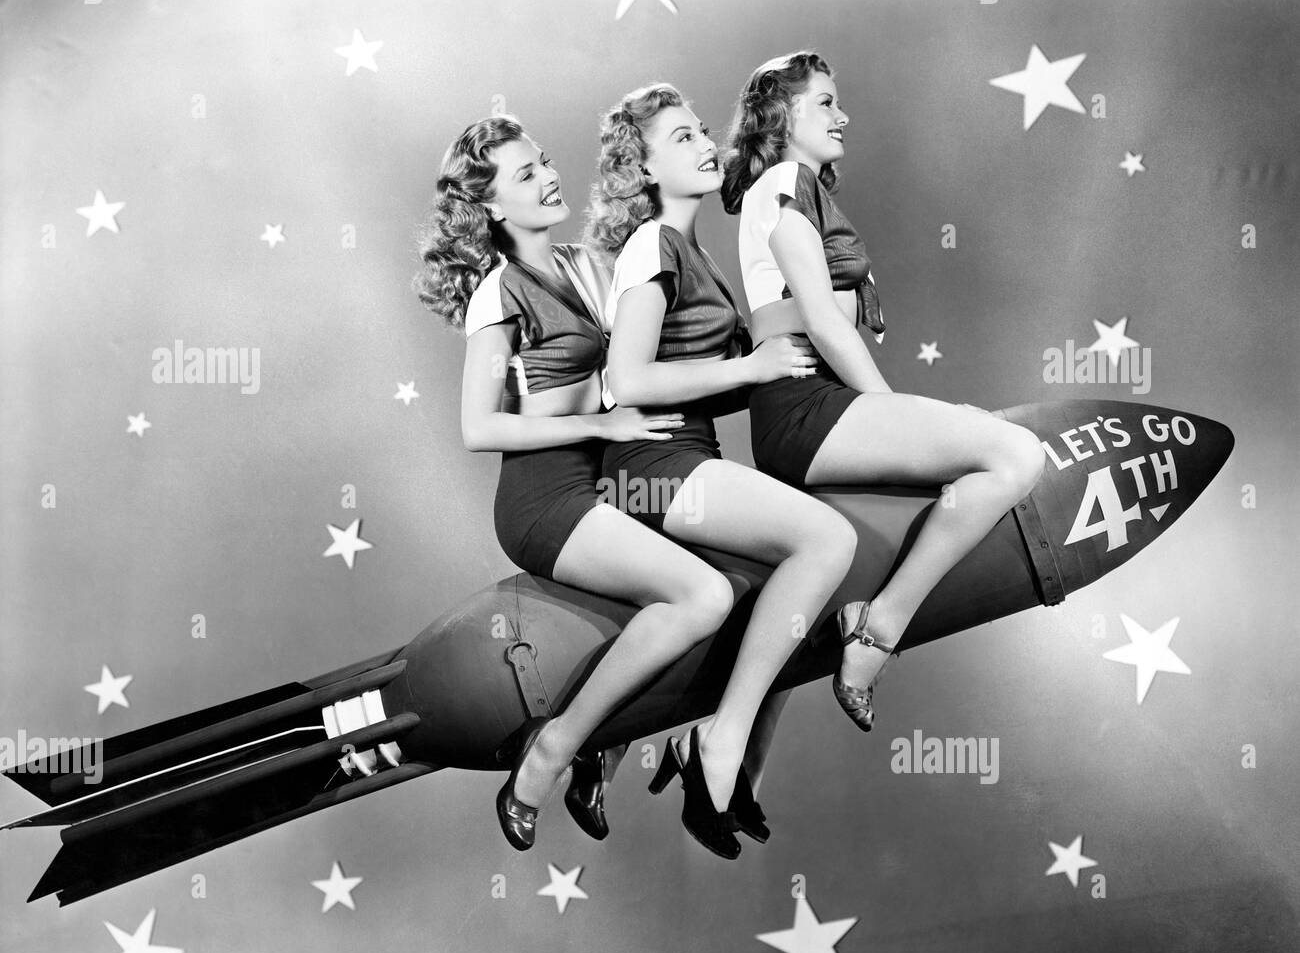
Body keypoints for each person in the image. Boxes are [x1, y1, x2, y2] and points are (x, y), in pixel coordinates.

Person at [415, 115, 736, 852]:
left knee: (732, 581)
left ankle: (607, 746)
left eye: (547, 162)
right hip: (545, 498)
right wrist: (599, 427)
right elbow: (479, 427)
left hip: (615, 481)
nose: (549, 177)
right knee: (701, 595)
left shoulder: (592, 263)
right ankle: (551, 752)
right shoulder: (501, 292)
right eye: (525, 175)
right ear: (491, 208)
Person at [721, 51, 1046, 729]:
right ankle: (877, 632)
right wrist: (884, 405)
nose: (844, 115)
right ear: (783, 115)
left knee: (889, 532)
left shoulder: (799, 186)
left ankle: (719, 751)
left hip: (809, 406)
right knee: (1015, 456)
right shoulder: (785, 179)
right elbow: (820, 320)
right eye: (827, 102)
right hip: (808, 404)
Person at [585, 83, 861, 860]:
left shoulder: (697, 253)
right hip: (649, 467)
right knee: (823, 542)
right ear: (642, 171)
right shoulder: (652, 245)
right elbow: (629, 380)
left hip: (687, 460)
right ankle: (718, 738)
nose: (707, 142)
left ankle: (713, 759)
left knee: (795, 596)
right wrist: (758, 361)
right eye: (680, 138)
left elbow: (727, 376)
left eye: (703, 130)